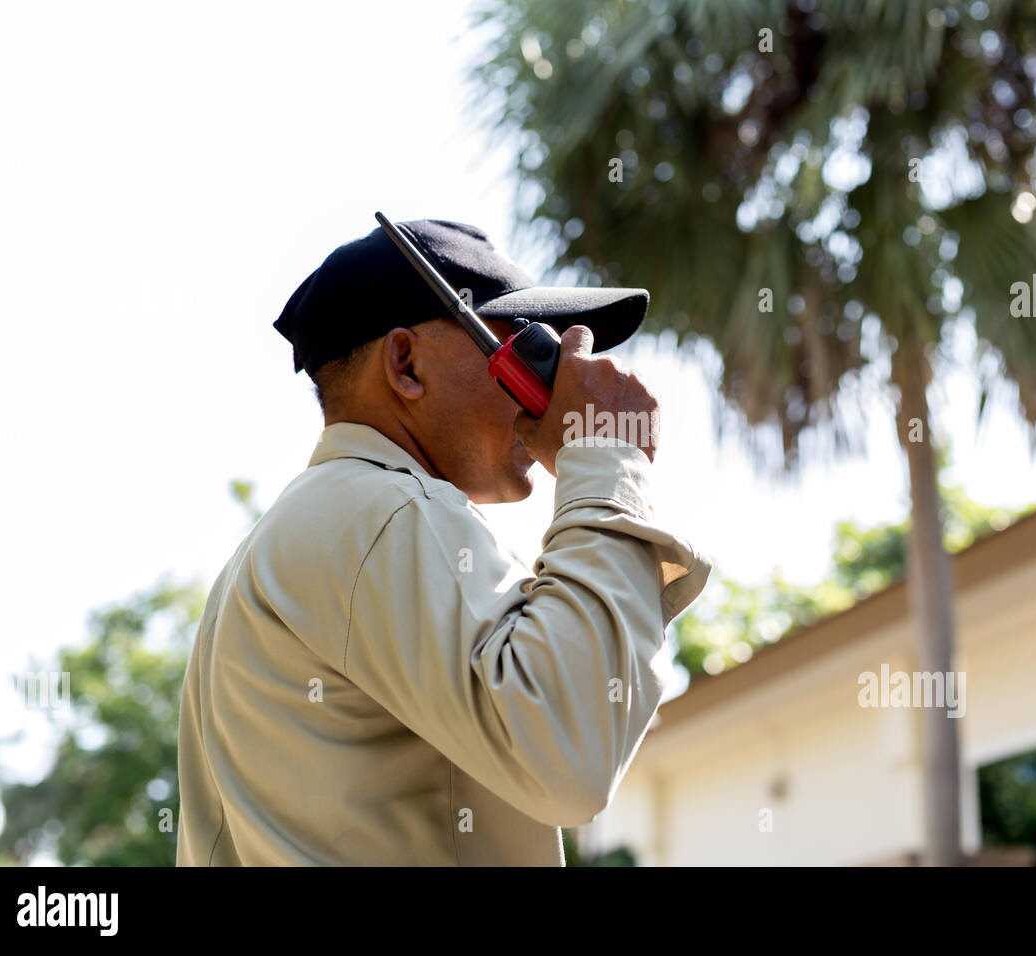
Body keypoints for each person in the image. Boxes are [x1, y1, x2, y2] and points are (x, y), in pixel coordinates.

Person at [176, 218, 710, 865]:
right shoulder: (383, 511)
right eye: (534, 348)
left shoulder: (284, 543)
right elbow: (572, 755)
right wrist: (604, 457)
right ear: (406, 365)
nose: (559, 384)